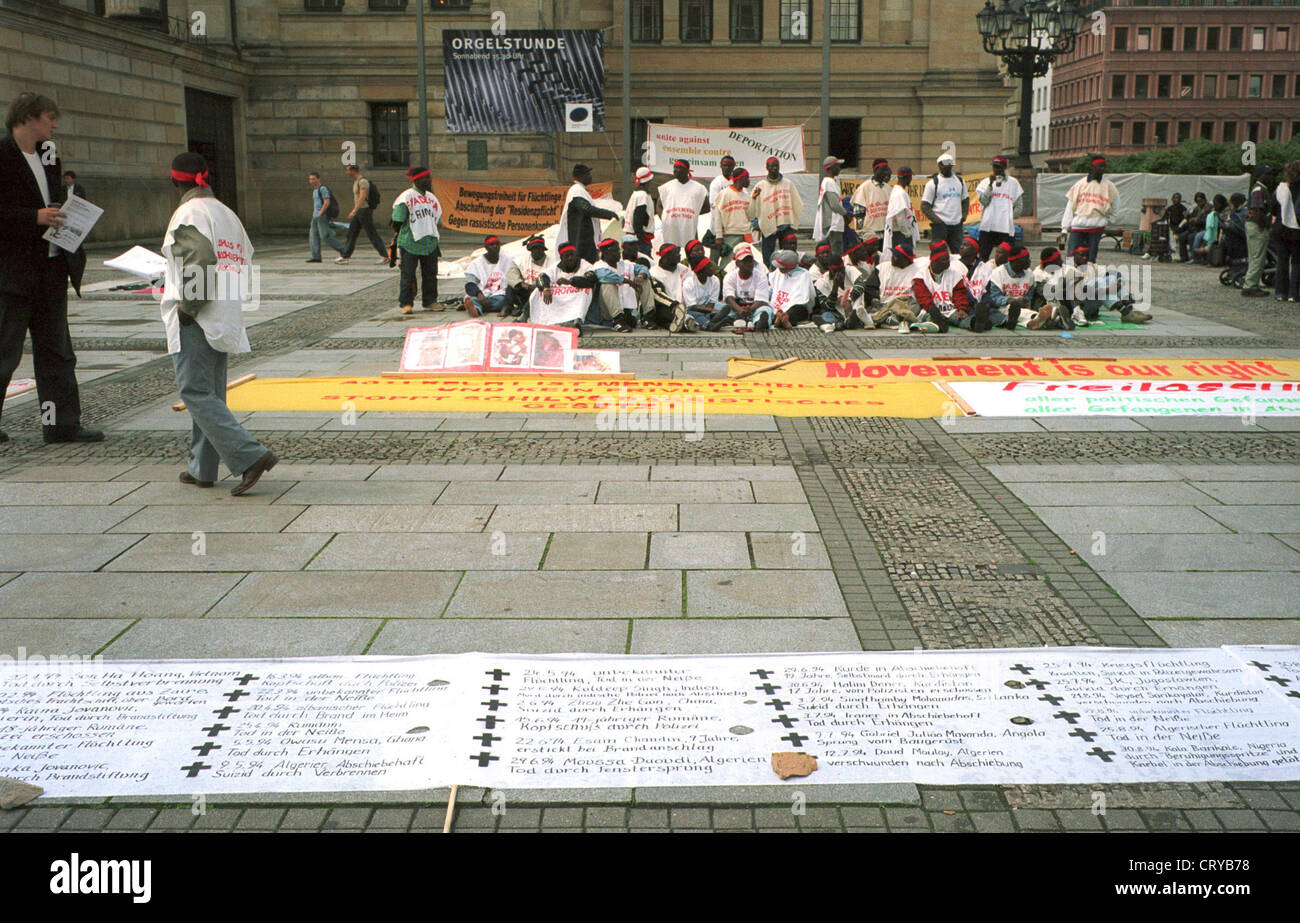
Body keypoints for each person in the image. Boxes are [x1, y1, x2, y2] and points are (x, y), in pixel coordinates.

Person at [160, 152, 276, 495]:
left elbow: (201, 258)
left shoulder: (188, 213)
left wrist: (189, 306)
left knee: (195, 391)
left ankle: (250, 455)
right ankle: (202, 467)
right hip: (225, 310)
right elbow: (243, 257)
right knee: (210, 394)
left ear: (174, 181)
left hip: (198, 314)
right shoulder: (225, 212)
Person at [0, 92, 101, 445]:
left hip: (52, 265)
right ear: (28, 118)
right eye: (50, 117)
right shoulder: (2, 155)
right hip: (12, 272)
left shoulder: (49, 154)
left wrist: (66, 214)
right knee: (5, 353)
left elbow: (53, 198)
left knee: (56, 353)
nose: (55, 124)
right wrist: (34, 217)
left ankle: (59, 424)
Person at [391, 165, 441, 315]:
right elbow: (397, 219)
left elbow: (437, 219)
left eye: (429, 177)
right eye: (426, 178)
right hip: (410, 241)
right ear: (417, 180)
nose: (429, 180)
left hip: (429, 242)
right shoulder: (407, 197)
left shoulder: (431, 198)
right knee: (408, 274)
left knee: (430, 273)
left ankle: (430, 301)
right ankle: (406, 303)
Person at [1063, 246, 1152, 323]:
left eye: (1087, 255)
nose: (1085, 258)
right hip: (1079, 308)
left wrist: (1119, 283)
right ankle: (1124, 311)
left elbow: (1115, 273)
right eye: (1081, 255)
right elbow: (1078, 291)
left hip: (1093, 305)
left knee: (1111, 278)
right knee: (1099, 281)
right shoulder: (1069, 270)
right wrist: (1106, 290)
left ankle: (1129, 309)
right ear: (1073, 256)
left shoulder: (1091, 266)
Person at [1061, 156, 1119, 264]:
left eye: (1104, 167)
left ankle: (1089, 274)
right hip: (1078, 226)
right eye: (1099, 166)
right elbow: (1070, 207)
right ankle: (1070, 273)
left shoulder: (1109, 186)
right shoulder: (1080, 184)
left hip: (1096, 227)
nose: (1102, 169)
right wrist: (1064, 228)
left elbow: (1116, 204)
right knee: (1071, 257)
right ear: (1092, 167)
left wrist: (1109, 220)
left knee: (1090, 258)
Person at [911, 241, 975, 333]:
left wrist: (962, 308)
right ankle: (939, 324)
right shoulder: (921, 275)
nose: (948, 262)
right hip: (930, 309)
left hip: (949, 308)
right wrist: (931, 308)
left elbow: (960, 293)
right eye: (944, 260)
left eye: (948, 259)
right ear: (935, 262)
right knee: (929, 317)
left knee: (960, 318)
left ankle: (974, 323)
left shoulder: (955, 273)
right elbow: (922, 296)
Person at [558, 163, 617, 263]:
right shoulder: (577, 190)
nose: (590, 176)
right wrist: (608, 214)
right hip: (582, 240)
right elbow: (586, 209)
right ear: (581, 176)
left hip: (585, 239)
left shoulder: (581, 190)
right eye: (588, 174)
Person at [750, 157, 803, 269]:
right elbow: (754, 205)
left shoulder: (788, 184)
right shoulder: (761, 185)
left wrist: (793, 222)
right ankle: (770, 273)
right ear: (767, 168)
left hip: (785, 225)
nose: (774, 168)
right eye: (771, 166)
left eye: (776, 166)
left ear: (779, 167)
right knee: (768, 255)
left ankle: (789, 272)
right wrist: (757, 222)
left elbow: (797, 202)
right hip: (769, 226)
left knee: (789, 254)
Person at [531, 242, 596, 330]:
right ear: (561, 258)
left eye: (572, 255)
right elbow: (541, 277)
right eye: (567, 256)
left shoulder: (584, 265)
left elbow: (591, 278)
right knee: (538, 291)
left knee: (585, 290)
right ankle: (544, 321)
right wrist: (545, 288)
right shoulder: (555, 267)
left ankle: (577, 321)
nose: (570, 258)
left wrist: (570, 282)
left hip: (577, 295)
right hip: (561, 296)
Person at [336, 165, 388, 264]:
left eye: (347, 170)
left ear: (353, 171)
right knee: (352, 233)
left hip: (364, 211)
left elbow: (362, 197)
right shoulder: (356, 181)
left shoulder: (363, 181)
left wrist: (354, 211)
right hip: (359, 211)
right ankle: (345, 256)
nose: (346, 173)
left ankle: (385, 256)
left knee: (372, 234)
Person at [974, 156, 1022, 260]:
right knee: (983, 257)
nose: (996, 169)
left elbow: (1019, 206)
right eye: (994, 167)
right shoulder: (985, 182)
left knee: (1007, 258)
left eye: (999, 167)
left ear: (1004, 167)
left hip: (1005, 228)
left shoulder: (1013, 183)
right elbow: (984, 201)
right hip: (988, 226)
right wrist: (990, 185)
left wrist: (1009, 217)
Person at [589, 236, 642, 332]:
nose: (619, 253)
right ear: (606, 253)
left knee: (644, 280)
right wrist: (628, 282)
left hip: (627, 309)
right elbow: (605, 276)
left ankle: (648, 317)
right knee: (607, 284)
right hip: (608, 312)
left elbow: (643, 269)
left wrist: (640, 277)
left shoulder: (624, 264)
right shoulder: (598, 265)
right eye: (615, 251)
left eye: (618, 250)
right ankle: (618, 321)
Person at [921, 152, 968, 255]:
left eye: (949, 164)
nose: (947, 167)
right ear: (939, 165)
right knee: (938, 254)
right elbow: (925, 206)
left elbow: (965, 200)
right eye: (944, 164)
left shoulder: (960, 181)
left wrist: (963, 217)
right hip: (940, 226)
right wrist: (937, 220)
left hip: (956, 225)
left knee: (959, 254)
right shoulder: (932, 183)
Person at [719, 242, 773, 331]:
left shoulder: (761, 276)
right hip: (736, 307)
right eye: (745, 261)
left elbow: (761, 300)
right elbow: (729, 297)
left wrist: (750, 309)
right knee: (720, 306)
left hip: (754, 308)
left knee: (766, 310)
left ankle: (758, 322)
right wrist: (739, 309)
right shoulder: (730, 276)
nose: (748, 264)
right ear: (737, 264)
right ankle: (730, 319)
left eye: (750, 261)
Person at [658, 159, 710, 249]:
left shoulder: (699, 188)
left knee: (692, 252)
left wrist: (692, 213)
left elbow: (706, 207)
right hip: (672, 229)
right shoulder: (666, 187)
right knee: (672, 253)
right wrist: (664, 219)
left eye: (678, 168)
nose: (675, 170)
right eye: (674, 167)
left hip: (689, 228)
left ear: (687, 170)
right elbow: (659, 205)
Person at [869, 245, 923, 331]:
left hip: (904, 305)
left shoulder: (917, 271)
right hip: (885, 305)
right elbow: (870, 287)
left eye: (897, 256)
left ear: (906, 259)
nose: (892, 258)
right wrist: (875, 298)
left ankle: (890, 319)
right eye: (893, 254)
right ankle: (889, 319)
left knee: (917, 304)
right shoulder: (882, 268)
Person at [647, 243, 697, 332]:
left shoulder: (684, 269)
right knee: (662, 312)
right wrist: (674, 304)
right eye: (675, 253)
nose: (679, 255)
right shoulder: (654, 273)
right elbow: (657, 294)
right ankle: (686, 322)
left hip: (684, 306)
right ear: (665, 257)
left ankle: (680, 323)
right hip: (666, 306)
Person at [463, 235, 515, 317]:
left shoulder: (508, 260)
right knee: (473, 299)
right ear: (486, 247)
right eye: (491, 244)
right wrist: (479, 294)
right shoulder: (476, 263)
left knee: (501, 302)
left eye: (497, 244)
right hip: (481, 294)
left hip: (499, 294)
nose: (495, 246)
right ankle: (476, 309)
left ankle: (477, 308)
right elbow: (470, 284)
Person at [1243, 166, 1275, 297]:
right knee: (1257, 257)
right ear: (1261, 175)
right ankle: (1250, 286)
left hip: (1255, 226)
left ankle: (1253, 284)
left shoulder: (1261, 189)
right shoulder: (1259, 190)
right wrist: (1263, 227)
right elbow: (1257, 210)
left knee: (1256, 257)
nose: (1271, 177)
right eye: (1269, 174)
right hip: (1257, 226)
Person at [813, 155, 852, 257]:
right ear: (830, 168)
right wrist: (846, 214)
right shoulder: (829, 182)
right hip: (833, 223)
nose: (839, 168)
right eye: (837, 166)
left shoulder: (829, 182)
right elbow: (834, 204)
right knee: (836, 252)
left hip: (833, 222)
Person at [851, 158, 893, 252]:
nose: (886, 172)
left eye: (887, 169)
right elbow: (859, 213)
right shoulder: (865, 187)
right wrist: (861, 235)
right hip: (869, 236)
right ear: (875, 170)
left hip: (885, 235)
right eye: (883, 170)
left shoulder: (888, 188)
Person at [1273, 159, 1300, 303]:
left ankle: (1280, 292)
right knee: (1296, 262)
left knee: (1282, 261)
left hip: (1280, 229)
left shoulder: (1281, 188)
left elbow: (1273, 208)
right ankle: (1293, 294)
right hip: (1297, 230)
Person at [767, 249, 816, 330]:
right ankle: (781, 318)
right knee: (768, 310)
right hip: (778, 306)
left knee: (798, 310)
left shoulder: (804, 274)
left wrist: (810, 310)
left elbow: (810, 296)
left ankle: (782, 318)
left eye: (782, 267)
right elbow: (771, 289)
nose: (779, 268)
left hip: (796, 306)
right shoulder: (777, 273)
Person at [506, 234, 552, 319]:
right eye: (534, 248)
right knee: (511, 286)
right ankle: (508, 307)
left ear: (543, 250)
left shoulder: (551, 262)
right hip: (526, 289)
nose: (537, 251)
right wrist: (520, 283)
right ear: (530, 250)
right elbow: (511, 272)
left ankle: (525, 309)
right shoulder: (523, 260)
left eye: (539, 248)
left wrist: (537, 287)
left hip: (541, 291)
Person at [712, 167, 752, 265]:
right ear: (740, 179)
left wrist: (754, 200)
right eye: (746, 178)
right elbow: (717, 217)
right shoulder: (724, 194)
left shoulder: (747, 196)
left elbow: (751, 216)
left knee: (741, 263)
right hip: (730, 235)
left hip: (745, 235)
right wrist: (719, 236)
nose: (749, 180)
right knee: (727, 264)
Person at [307, 171, 345, 263]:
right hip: (315, 216)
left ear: (318, 179)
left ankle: (343, 250)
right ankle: (316, 256)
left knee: (325, 236)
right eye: (310, 179)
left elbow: (327, 202)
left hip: (322, 216)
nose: (311, 181)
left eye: (313, 179)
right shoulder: (315, 191)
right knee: (313, 236)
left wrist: (320, 213)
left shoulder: (322, 189)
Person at [707, 155, 736, 262]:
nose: (726, 168)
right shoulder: (716, 183)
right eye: (724, 165)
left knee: (729, 258)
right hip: (717, 227)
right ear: (720, 166)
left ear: (734, 166)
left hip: (732, 227)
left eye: (729, 165)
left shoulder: (736, 181)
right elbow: (715, 204)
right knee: (714, 258)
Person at [682, 256, 724, 330]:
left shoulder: (715, 280)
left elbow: (712, 302)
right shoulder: (689, 283)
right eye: (709, 267)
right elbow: (692, 306)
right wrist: (712, 311)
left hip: (708, 307)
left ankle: (713, 319)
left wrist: (709, 311)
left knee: (723, 307)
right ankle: (708, 324)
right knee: (693, 314)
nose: (712, 268)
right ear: (701, 270)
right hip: (693, 309)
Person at [885, 166, 918, 255]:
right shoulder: (899, 193)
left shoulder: (898, 191)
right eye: (910, 177)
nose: (911, 179)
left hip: (899, 233)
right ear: (907, 177)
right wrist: (907, 234)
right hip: (900, 234)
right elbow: (900, 217)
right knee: (904, 259)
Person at [624, 166, 656, 255]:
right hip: (641, 238)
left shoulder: (636, 194)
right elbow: (638, 219)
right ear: (648, 181)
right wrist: (641, 240)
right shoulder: (643, 196)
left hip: (633, 235)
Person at [1190, 195, 1228, 265]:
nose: (1215, 206)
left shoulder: (1226, 210)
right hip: (1210, 229)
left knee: (1209, 236)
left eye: (1217, 204)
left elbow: (1224, 222)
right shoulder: (1210, 209)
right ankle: (1195, 258)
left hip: (1221, 230)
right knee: (1198, 235)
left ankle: (1206, 251)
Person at [1176, 191, 1211, 263]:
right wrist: (1187, 216)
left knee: (1191, 237)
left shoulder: (1208, 208)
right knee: (1181, 237)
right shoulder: (1196, 209)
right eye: (1197, 201)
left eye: (1200, 201)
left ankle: (1194, 257)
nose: (1199, 203)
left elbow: (1207, 220)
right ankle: (1184, 257)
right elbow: (1191, 218)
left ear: (1204, 200)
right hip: (1194, 228)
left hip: (1202, 228)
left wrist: (1196, 220)